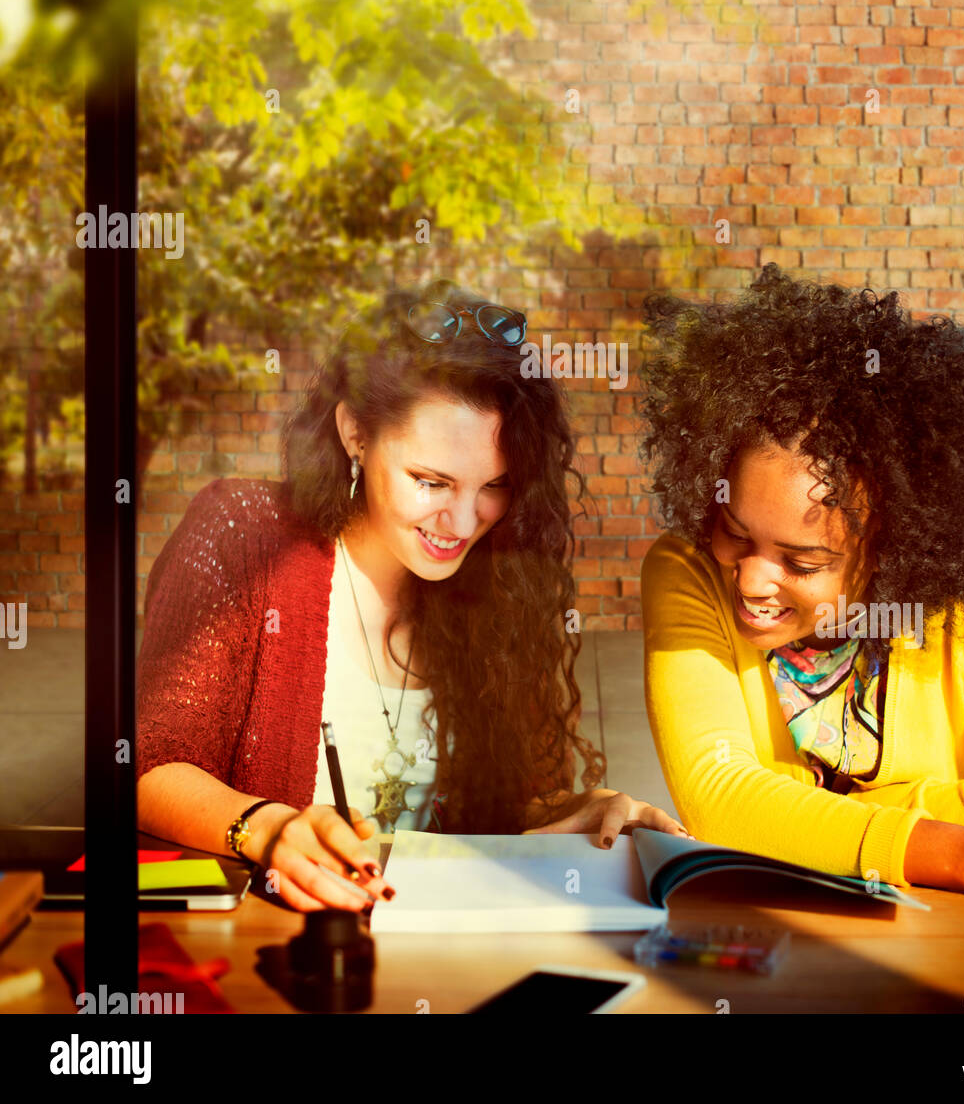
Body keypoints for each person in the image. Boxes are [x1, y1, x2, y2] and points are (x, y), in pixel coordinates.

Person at [137, 281, 685, 912]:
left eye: (494, 486)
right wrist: (270, 828)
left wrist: (571, 812)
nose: (462, 522)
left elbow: (507, 807)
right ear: (354, 434)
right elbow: (150, 763)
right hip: (284, 947)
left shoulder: (504, 584)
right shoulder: (242, 534)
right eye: (431, 481)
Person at [639, 263, 964, 899]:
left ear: (891, 547)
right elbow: (723, 802)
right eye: (736, 532)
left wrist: (805, 816)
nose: (750, 581)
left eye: (801, 563)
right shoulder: (686, 571)